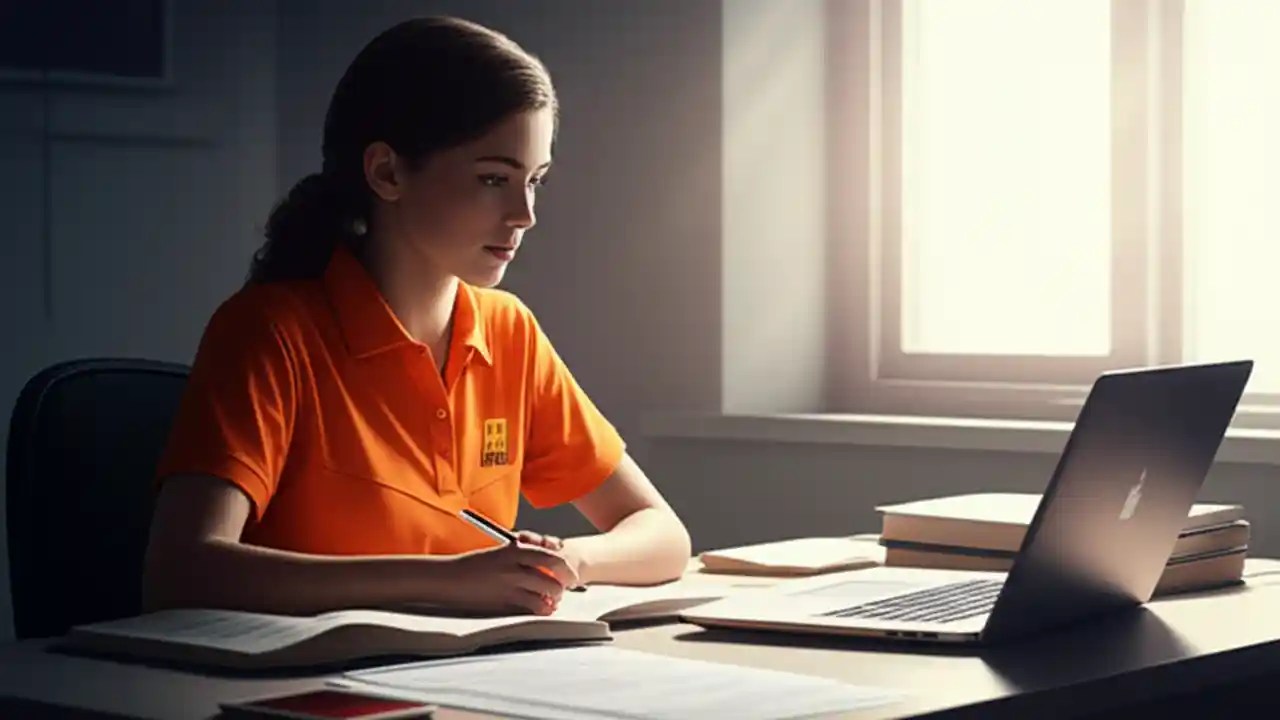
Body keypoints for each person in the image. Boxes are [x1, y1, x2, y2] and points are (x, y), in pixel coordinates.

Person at [141, 16, 691, 618]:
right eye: (493, 179)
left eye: (534, 181)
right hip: (305, 690)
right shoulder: (271, 332)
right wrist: (445, 581)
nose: (525, 213)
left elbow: (662, 535)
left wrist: (568, 561)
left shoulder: (508, 332)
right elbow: (182, 569)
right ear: (388, 172)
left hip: (465, 680)